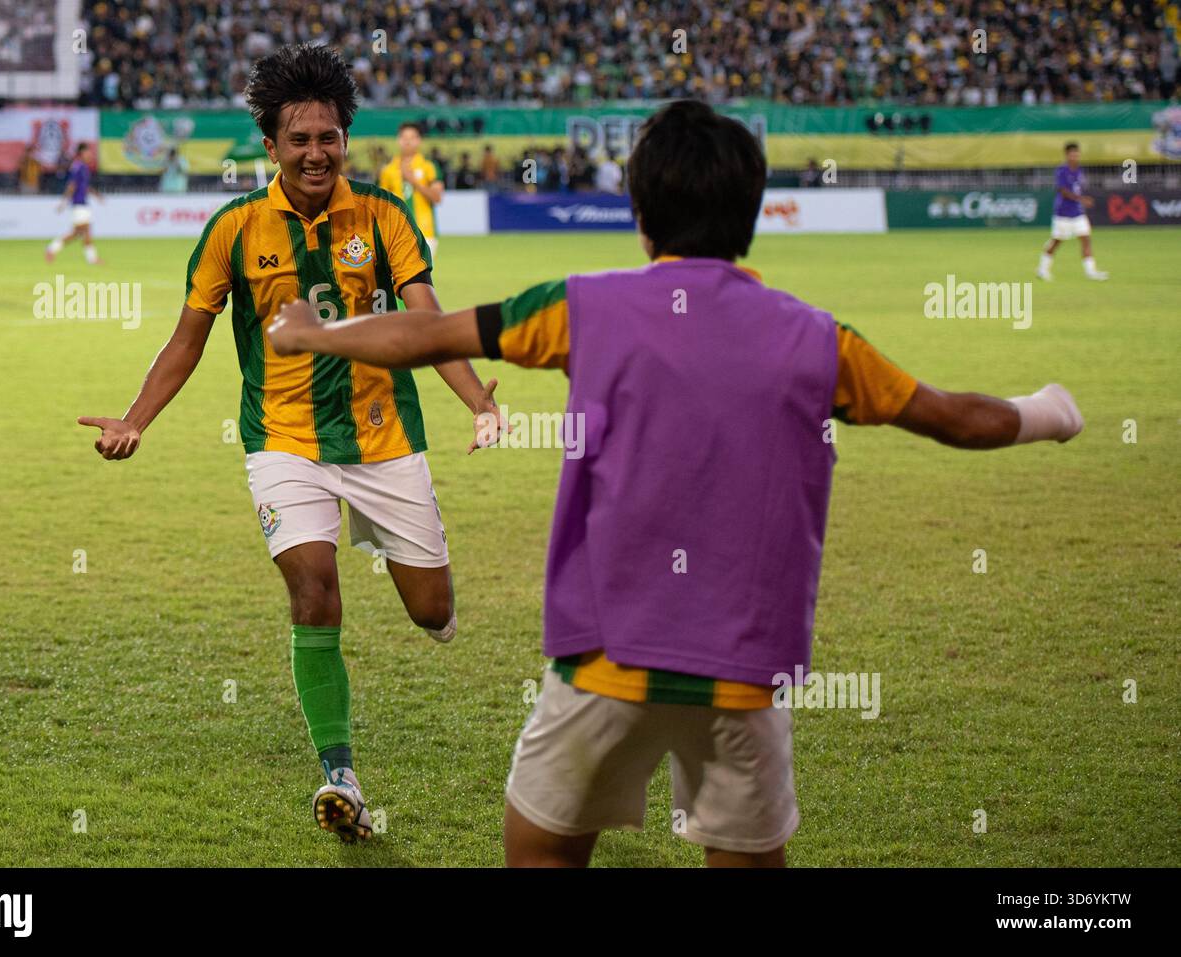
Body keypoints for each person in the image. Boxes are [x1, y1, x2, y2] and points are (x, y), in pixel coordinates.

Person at [265, 100, 1085, 867]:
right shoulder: (819, 340)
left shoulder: (584, 308)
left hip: (602, 658)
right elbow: (953, 417)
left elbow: (425, 332)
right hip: (744, 672)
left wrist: (314, 331)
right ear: (753, 213)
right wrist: (1049, 411)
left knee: (541, 847)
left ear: (641, 214)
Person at [77, 42, 499, 845]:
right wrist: (136, 417)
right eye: (298, 139)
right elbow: (188, 339)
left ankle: (430, 603)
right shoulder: (233, 229)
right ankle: (340, 774)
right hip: (282, 440)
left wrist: (477, 398)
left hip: (383, 439)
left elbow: (426, 319)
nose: (315, 152)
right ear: (270, 146)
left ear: (346, 139)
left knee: (432, 611)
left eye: (328, 137)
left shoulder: (384, 216)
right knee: (313, 593)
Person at [1038, 142, 1108, 281]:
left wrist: (1081, 200)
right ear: (1067, 155)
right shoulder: (1061, 171)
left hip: (1078, 212)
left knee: (1086, 239)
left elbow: (1078, 188)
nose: (1075, 157)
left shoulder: (1080, 170)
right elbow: (1063, 191)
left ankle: (1091, 271)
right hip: (1063, 212)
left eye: (1077, 154)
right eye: (1072, 154)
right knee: (1057, 241)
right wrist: (1081, 199)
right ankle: (1042, 269)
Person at [378, 122, 443, 257]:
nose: (408, 142)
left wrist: (414, 181)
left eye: (412, 137)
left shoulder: (428, 166)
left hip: (425, 232)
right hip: (396, 233)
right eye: (404, 138)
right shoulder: (388, 169)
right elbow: (381, 204)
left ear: (419, 140)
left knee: (421, 278)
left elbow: (437, 197)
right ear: (399, 140)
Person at [45, 142, 104, 265]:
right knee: (81, 231)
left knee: (80, 232)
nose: (90, 155)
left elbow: (84, 186)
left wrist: (96, 194)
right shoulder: (78, 167)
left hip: (83, 203)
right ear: (81, 153)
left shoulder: (83, 167)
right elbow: (72, 185)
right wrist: (64, 202)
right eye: (88, 152)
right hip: (79, 204)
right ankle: (52, 249)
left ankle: (91, 258)